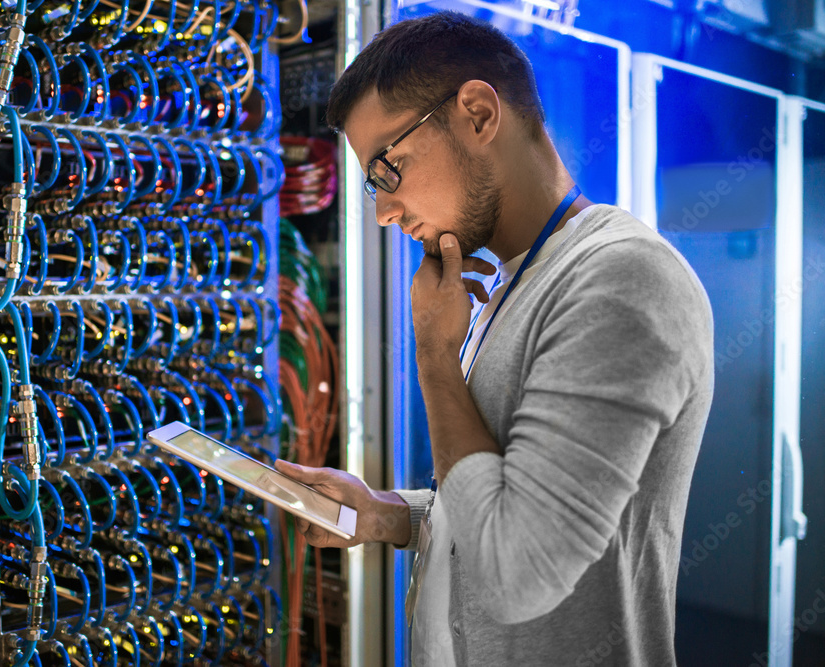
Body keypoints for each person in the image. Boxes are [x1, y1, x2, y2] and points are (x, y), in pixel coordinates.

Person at [273, 9, 715, 667]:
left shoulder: (624, 279)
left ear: (478, 114)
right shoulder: (509, 280)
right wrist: (387, 514)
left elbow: (516, 572)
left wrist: (434, 358)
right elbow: (508, 501)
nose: (384, 212)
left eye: (386, 171)